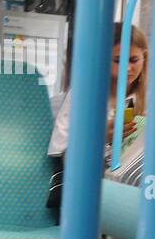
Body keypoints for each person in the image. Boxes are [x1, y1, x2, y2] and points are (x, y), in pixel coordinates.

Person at [48, 23, 147, 158]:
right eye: (118, 61)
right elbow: (60, 156)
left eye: (134, 60)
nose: (127, 68)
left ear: (144, 57)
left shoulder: (151, 100)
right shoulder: (83, 95)